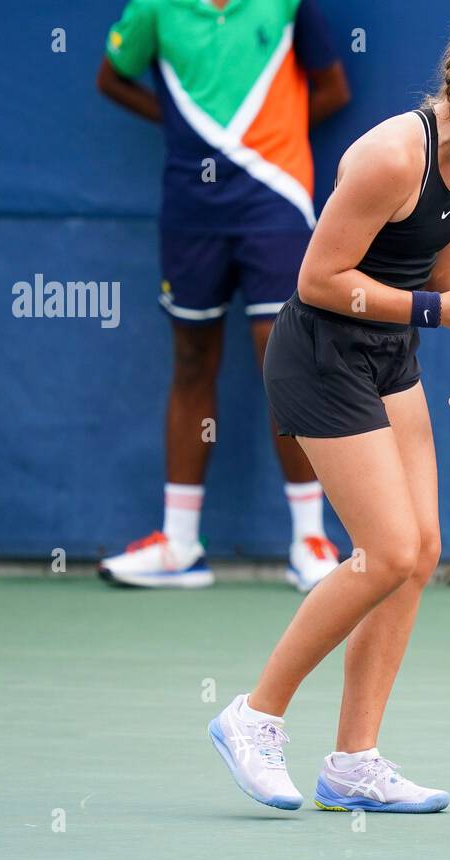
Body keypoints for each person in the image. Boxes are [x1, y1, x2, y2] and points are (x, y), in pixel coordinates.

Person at [208, 4, 450, 813]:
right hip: (321, 358)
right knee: (384, 552)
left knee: (419, 554)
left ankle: (353, 763)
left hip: (388, 359)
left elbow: (447, 277)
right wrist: (428, 312)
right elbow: (318, 280)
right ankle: (254, 716)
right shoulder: (390, 156)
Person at [94, 0, 351, 590]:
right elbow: (112, 77)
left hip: (275, 201)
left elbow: (333, 89)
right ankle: (180, 544)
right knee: (191, 361)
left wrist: (268, 142)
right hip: (192, 212)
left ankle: (309, 541)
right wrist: (184, 129)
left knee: (286, 362)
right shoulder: (154, 8)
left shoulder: (288, 4)